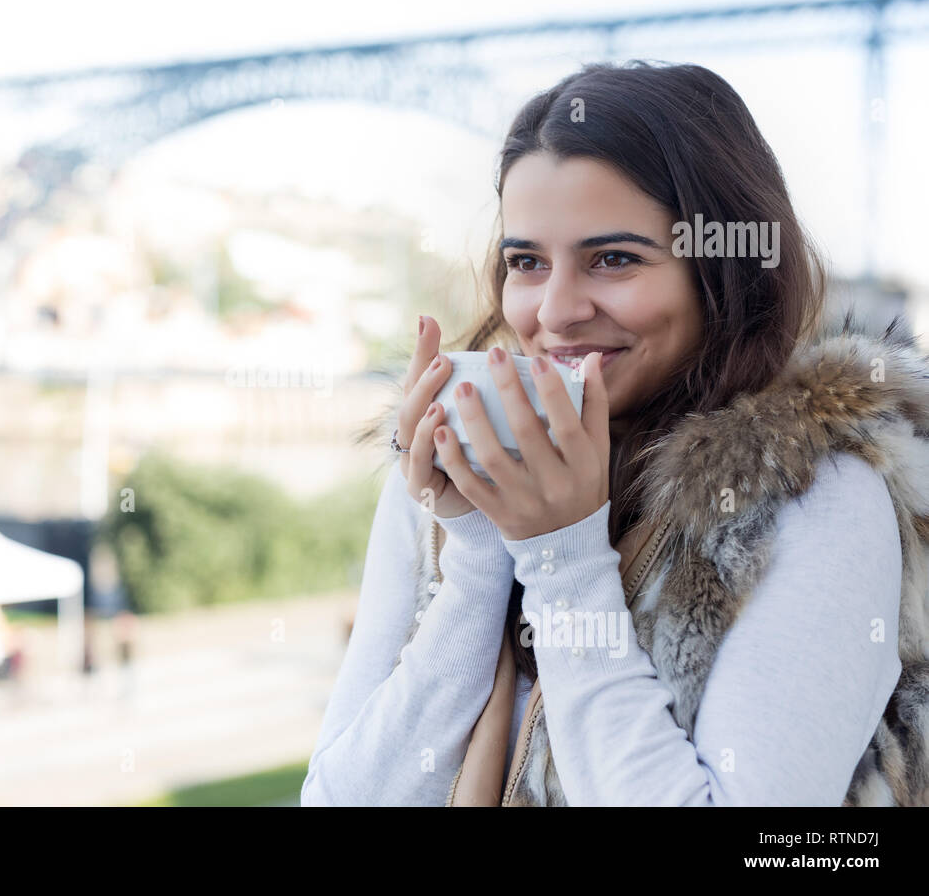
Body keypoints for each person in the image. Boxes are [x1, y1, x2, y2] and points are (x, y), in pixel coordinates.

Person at [302, 59, 929, 806]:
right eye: (527, 262)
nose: (555, 310)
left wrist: (563, 558)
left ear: (723, 273)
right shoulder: (453, 472)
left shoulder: (815, 497)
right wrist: (478, 554)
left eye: (613, 260)